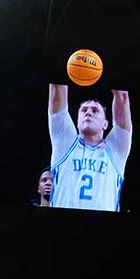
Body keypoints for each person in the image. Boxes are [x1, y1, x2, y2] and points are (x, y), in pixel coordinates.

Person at [45, 84, 132, 212]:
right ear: (77, 120)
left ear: (105, 124)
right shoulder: (65, 143)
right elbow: (57, 90)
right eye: (84, 110)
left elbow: (122, 98)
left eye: (95, 110)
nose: (88, 113)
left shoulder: (115, 149)